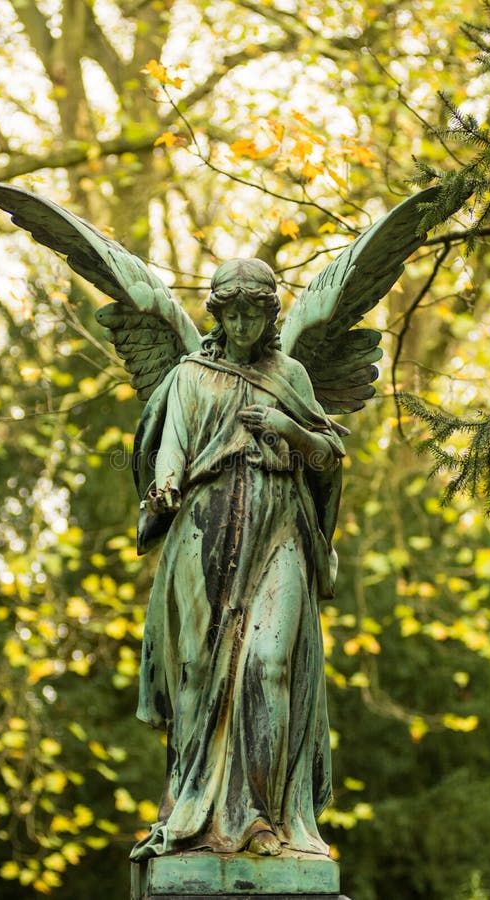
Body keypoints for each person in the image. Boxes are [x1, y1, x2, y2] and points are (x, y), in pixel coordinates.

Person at [130, 258, 346, 861]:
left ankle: (261, 817)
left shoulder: (291, 374)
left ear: (271, 314)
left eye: (257, 310)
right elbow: (170, 449)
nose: (246, 322)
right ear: (218, 314)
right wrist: (164, 486)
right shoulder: (191, 376)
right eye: (234, 311)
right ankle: (193, 806)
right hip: (208, 523)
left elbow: (330, 454)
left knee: (272, 662)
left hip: (280, 526)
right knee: (199, 670)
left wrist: (290, 429)